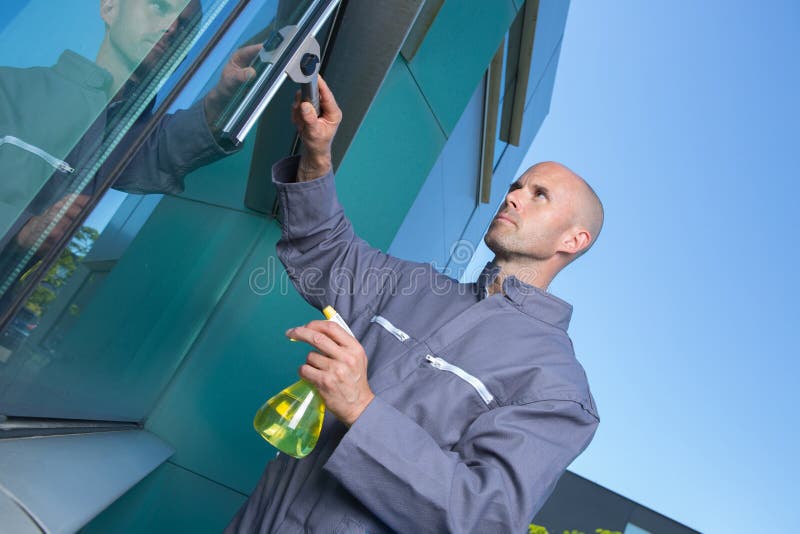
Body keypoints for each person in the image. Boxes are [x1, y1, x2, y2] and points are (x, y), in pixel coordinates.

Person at [226, 78, 603, 533]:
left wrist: (361, 408)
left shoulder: (557, 388)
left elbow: (482, 519)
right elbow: (324, 247)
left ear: (574, 240)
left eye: (539, 195)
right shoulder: (415, 286)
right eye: (517, 185)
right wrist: (317, 155)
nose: (513, 196)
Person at [0, 0, 258, 297]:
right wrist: (23, 230)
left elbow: (177, 143)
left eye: (186, 26)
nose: (171, 27)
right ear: (109, 8)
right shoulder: (9, 89)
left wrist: (224, 95)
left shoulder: (138, 138)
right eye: (159, 7)